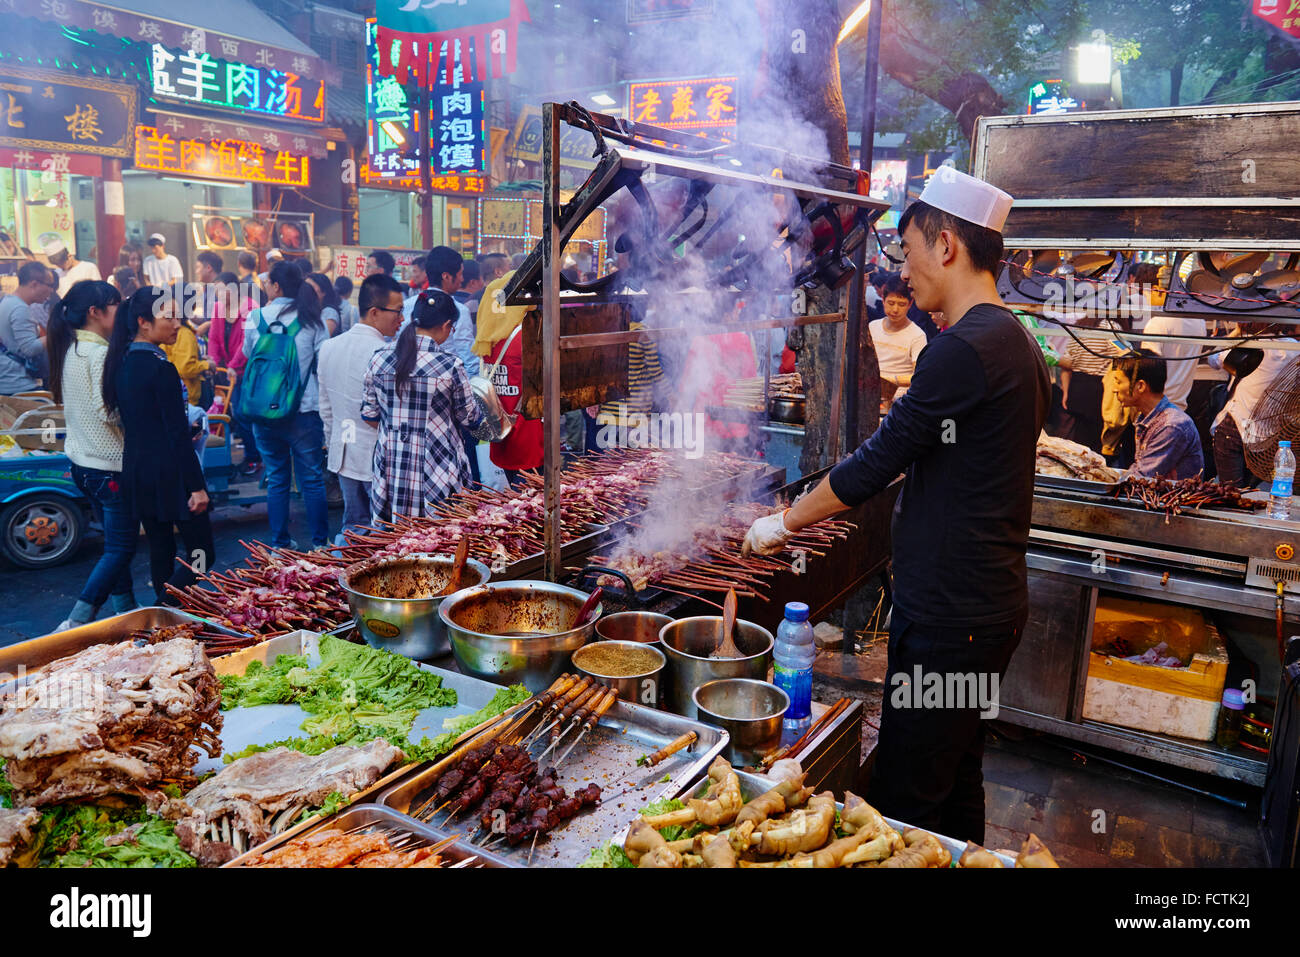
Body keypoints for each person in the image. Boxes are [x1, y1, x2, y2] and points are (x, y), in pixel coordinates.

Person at [742, 169, 1049, 845]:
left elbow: (878, 462)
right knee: (958, 771)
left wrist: (782, 521)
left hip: (950, 621)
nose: (902, 272)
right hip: (983, 610)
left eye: (907, 252)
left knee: (906, 793)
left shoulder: (964, 348)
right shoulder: (1016, 340)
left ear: (946, 245)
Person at [103, 286, 214, 603]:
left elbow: (146, 421)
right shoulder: (161, 368)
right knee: (202, 553)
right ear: (143, 322)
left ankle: (164, 625)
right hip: (170, 473)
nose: (177, 324)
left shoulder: (121, 364)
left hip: (138, 470)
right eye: (169, 317)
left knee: (161, 549)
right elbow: (176, 436)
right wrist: (197, 487)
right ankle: (163, 608)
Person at [47, 280, 136, 630]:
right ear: (95, 313)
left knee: (115, 546)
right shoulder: (99, 354)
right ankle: (76, 620)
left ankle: (126, 608)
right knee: (121, 549)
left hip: (84, 465)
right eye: (116, 305)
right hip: (109, 467)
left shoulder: (72, 349)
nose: (122, 311)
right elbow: (109, 414)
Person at [363, 288, 497, 520]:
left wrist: (401, 434)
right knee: (440, 540)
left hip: (393, 467)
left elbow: (370, 415)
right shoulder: (450, 365)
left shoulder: (378, 358)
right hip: (439, 466)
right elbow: (470, 419)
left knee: (398, 542)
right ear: (446, 325)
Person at [243, 260, 331, 548]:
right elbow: (323, 365)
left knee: (277, 478)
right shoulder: (313, 320)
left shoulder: (255, 318)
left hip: (263, 414)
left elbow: (248, 354)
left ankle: (280, 544)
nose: (266, 287)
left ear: (277, 285)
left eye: (268, 282)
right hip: (304, 411)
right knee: (312, 479)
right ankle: (320, 543)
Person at [319, 274, 405, 538]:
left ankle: (343, 575)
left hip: (343, 453)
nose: (402, 319)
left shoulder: (329, 346)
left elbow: (326, 409)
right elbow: (391, 414)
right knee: (383, 536)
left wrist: (333, 440)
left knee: (353, 528)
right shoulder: (387, 354)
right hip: (377, 460)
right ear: (375, 312)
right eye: (398, 312)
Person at [415, 246, 482, 484]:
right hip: (447, 401)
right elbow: (467, 358)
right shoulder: (458, 311)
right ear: (446, 275)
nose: (462, 278)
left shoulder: (409, 304)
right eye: (460, 273)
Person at [474, 270, 542, 488]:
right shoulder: (527, 336)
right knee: (532, 502)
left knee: (514, 495)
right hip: (528, 433)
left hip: (501, 430)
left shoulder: (487, 339)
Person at [1209, 327, 1297, 487]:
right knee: (1248, 492)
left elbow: (1213, 359)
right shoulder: (1293, 348)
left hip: (1234, 428)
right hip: (1265, 435)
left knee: (1231, 492)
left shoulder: (1252, 344)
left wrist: (1236, 332)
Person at [1111, 349, 1204, 480]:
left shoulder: (1171, 426)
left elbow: (1141, 476)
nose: (1114, 389)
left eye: (1119, 382)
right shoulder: (1146, 418)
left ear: (1140, 386)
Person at [207, 271, 261, 475]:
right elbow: (213, 337)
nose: (217, 295)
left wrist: (234, 364)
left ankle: (255, 457)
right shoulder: (219, 308)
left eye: (219, 290)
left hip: (248, 370)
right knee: (236, 413)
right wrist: (212, 359)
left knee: (243, 412)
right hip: (229, 371)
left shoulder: (250, 308)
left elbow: (246, 343)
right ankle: (252, 455)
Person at [0, 262, 55, 393]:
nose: (51, 290)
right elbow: (29, 348)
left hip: (8, 379)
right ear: (34, 284)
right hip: (19, 383)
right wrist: (56, 334)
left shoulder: (7, 302)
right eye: (49, 285)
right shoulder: (20, 309)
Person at [870, 276, 928, 401]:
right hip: (870, 395)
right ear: (883, 299)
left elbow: (919, 376)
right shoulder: (872, 327)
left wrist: (892, 380)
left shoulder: (917, 335)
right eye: (891, 303)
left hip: (899, 400)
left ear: (910, 304)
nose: (895, 309)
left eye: (902, 304)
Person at [1140, 311, 1208, 411]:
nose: (1147, 296)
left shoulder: (1157, 323)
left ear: (1160, 294)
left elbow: (1148, 369)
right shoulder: (1200, 322)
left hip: (1154, 407)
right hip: (1179, 407)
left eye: (1148, 294)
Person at [162, 286, 214, 407]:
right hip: (187, 398)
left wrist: (199, 359)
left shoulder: (166, 330)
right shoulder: (184, 333)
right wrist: (207, 365)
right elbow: (186, 368)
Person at [192, 251, 224, 336]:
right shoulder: (207, 288)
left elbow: (228, 318)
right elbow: (208, 319)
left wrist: (207, 325)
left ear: (209, 268)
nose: (196, 271)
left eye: (198, 267)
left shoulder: (224, 288)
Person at [305, 272, 342, 337]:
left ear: (323, 291)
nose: (305, 290)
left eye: (310, 287)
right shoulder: (312, 309)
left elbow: (323, 338)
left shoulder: (329, 312)